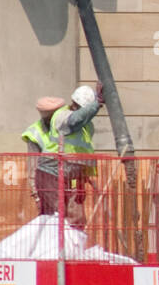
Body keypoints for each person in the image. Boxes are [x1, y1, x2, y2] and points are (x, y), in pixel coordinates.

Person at [26, 84, 103, 217]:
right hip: (51, 174)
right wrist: (96, 104)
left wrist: (81, 181)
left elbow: (80, 154)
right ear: (76, 106)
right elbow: (75, 120)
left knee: (75, 219)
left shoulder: (87, 127)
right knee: (56, 217)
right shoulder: (63, 116)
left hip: (72, 178)